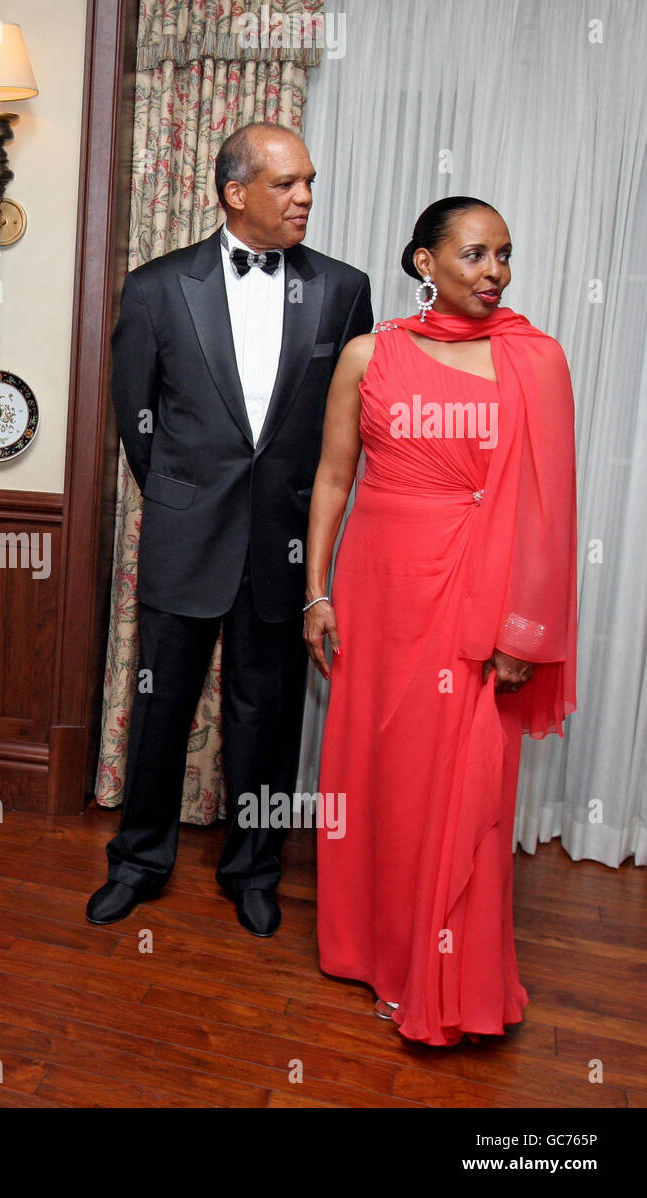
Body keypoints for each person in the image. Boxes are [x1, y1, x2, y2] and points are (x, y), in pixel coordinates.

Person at [305, 197, 578, 1045]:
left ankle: (444, 968)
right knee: (377, 769)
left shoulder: (535, 360)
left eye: (503, 255)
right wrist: (316, 591)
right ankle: (371, 949)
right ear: (425, 262)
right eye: (472, 255)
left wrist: (523, 631)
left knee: (459, 783)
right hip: (379, 591)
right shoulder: (367, 354)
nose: (493, 272)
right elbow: (330, 480)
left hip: (476, 602)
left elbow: (548, 511)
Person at [88, 123, 373, 936]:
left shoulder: (343, 290)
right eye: (287, 184)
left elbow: (343, 433)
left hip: (282, 546)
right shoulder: (155, 289)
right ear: (235, 192)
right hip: (185, 537)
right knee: (160, 706)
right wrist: (184, 499)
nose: (305, 197)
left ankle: (252, 869)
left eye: (309, 182)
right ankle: (139, 861)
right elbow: (137, 422)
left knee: (267, 714)